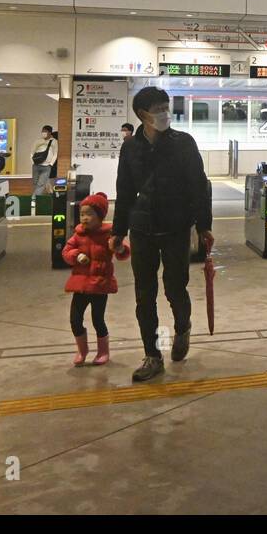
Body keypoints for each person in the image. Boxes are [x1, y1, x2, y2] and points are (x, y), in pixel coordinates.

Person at [112, 87, 213, 384]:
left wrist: (203, 225)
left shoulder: (183, 143)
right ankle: (152, 356)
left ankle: (183, 328)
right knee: (144, 294)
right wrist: (118, 231)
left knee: (174, 288)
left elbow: (198, 185)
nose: (165, 113)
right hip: (142, 228)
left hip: (176, 227)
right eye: (158, 108)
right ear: (143, 114)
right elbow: (125, 191)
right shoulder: (130, 148)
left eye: (166, 107)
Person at [62, 192, 120, 367]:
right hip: (80, 284)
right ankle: (82, 350)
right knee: (75, 319)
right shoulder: (78, 235)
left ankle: (103, 352)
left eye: (89, 214)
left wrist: (119, 247)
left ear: (100, 216)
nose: (85, 218)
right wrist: (76, 255)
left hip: (100, 285)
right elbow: (66, 252)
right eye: (82, 214)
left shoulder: (108, 234)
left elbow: (122, 249)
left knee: (98, 319)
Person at [32, 124, 57, 195]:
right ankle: (50, 194)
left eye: (44, 131)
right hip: (43, 165)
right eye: (42, 131)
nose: (43, 133)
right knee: (42, 183)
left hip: (47, 165)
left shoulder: (53, 141)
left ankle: (35, 198)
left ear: (49, 132)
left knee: (42, 183)